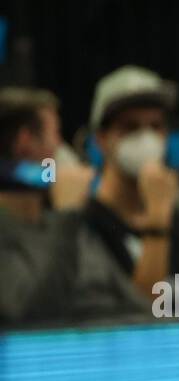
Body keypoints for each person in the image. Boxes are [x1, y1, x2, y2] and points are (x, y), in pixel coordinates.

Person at [0, 87, 147, 324]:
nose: (62, 147)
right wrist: (67, 214)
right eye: (56, 134)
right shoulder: (60, 223)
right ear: (24, 142)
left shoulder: (68, 226)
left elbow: (134, 303)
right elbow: (33, 315)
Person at [84, 66, 179, 298]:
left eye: (155, 126)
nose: (146, 138)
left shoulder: (173, 225)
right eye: (131, 127)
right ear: (101, 139)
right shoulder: (86, 227)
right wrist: (157, 221)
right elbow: (140, 317)